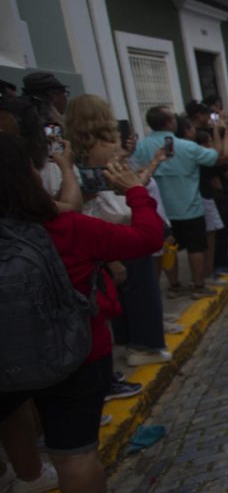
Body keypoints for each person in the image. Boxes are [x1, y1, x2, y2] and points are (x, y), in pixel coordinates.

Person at [0, 135, 162, 493]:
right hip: (77, 350)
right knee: (75, 451)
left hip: (8, 359)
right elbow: (147, 237)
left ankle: (27, 478)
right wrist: (135, 190)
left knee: (14, 410)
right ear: (27, 176)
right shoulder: (66, 228)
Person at [63, 94, 172, 368]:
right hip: (120, 223)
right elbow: (126, 185)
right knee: (141, 291)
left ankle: (126, 341)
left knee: (117, 294)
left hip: (92, 229)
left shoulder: (71, 153)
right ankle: (145, 345)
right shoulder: (107, 148)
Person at [133, 106, 218, 299]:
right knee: (196, 247)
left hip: (160, 210)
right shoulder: (187, 146)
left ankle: (174, 285)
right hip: (189, 206)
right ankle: (198, 286)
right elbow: (213, 158)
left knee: (168, 247)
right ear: (170, 122)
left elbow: (134, 167)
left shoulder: (142, 147)